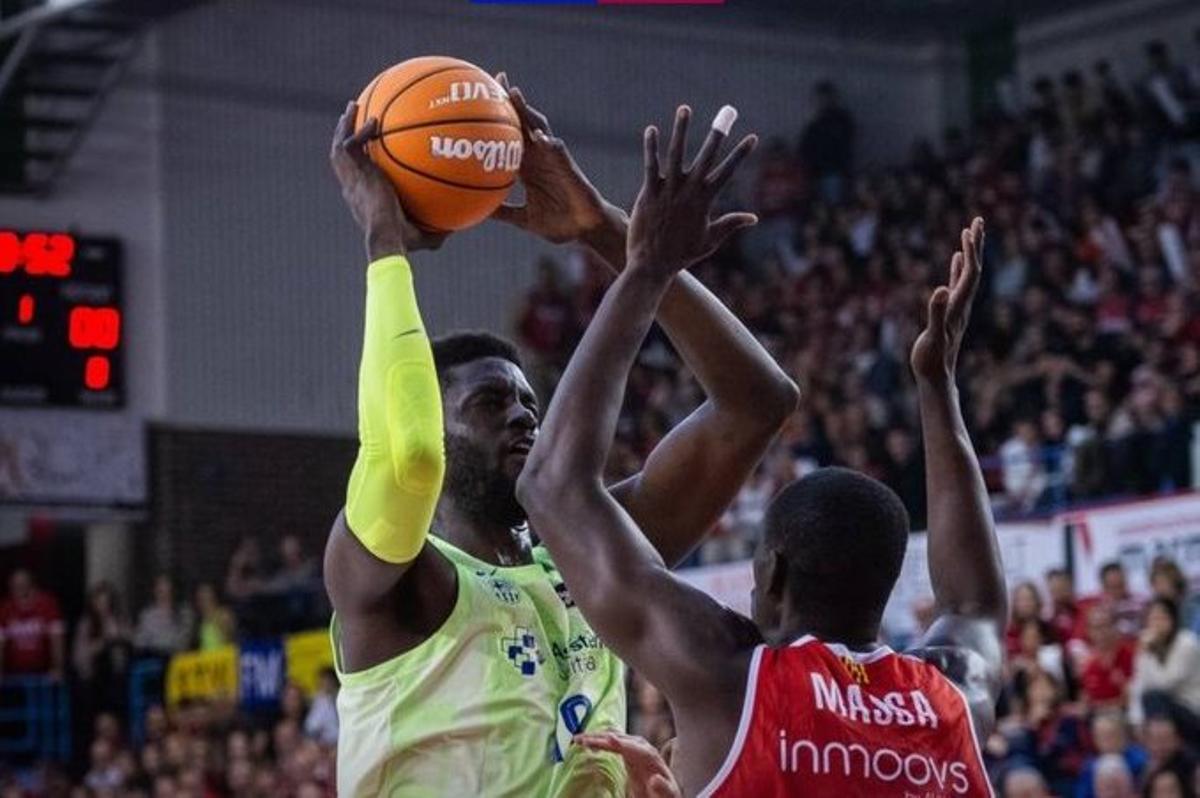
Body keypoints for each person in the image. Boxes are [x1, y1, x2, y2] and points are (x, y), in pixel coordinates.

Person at [518, 101, 1004, 798]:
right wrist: (938, 387)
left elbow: (551, 486)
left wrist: (648, 264)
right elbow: (974, 602)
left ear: (773, 577)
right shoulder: (953, 695)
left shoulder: (731, 677)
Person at [324, 85, 797, 798]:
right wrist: (384, 243)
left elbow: (757, 404)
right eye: (490, 404)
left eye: (529, 402)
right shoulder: (400, 578)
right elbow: (411, 459)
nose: (523, 417)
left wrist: (605, 232)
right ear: (429, 415)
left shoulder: (589, 557)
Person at [1130, 598, 1200, 739]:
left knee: (1153, 697)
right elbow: (1139, 683)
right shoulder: (1147, 643)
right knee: (1149, 701)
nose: (1157, 623)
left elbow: (1165, 685)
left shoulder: (1187, 642)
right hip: (1165, 710)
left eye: (1162, 618)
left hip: (1192, 709)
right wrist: (1136, 720)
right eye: (1153, 618)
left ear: (1173, 619)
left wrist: (1150, 651)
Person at [0, 569, 64, 681]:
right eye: (15, 585)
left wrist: (58, 667)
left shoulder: (48, 604)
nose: (19, 588)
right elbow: (1, 643)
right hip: (12, 673)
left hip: (43, 672)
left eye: (23, 584)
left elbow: (57, 640)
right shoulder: (5, 608)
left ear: (31, 584)